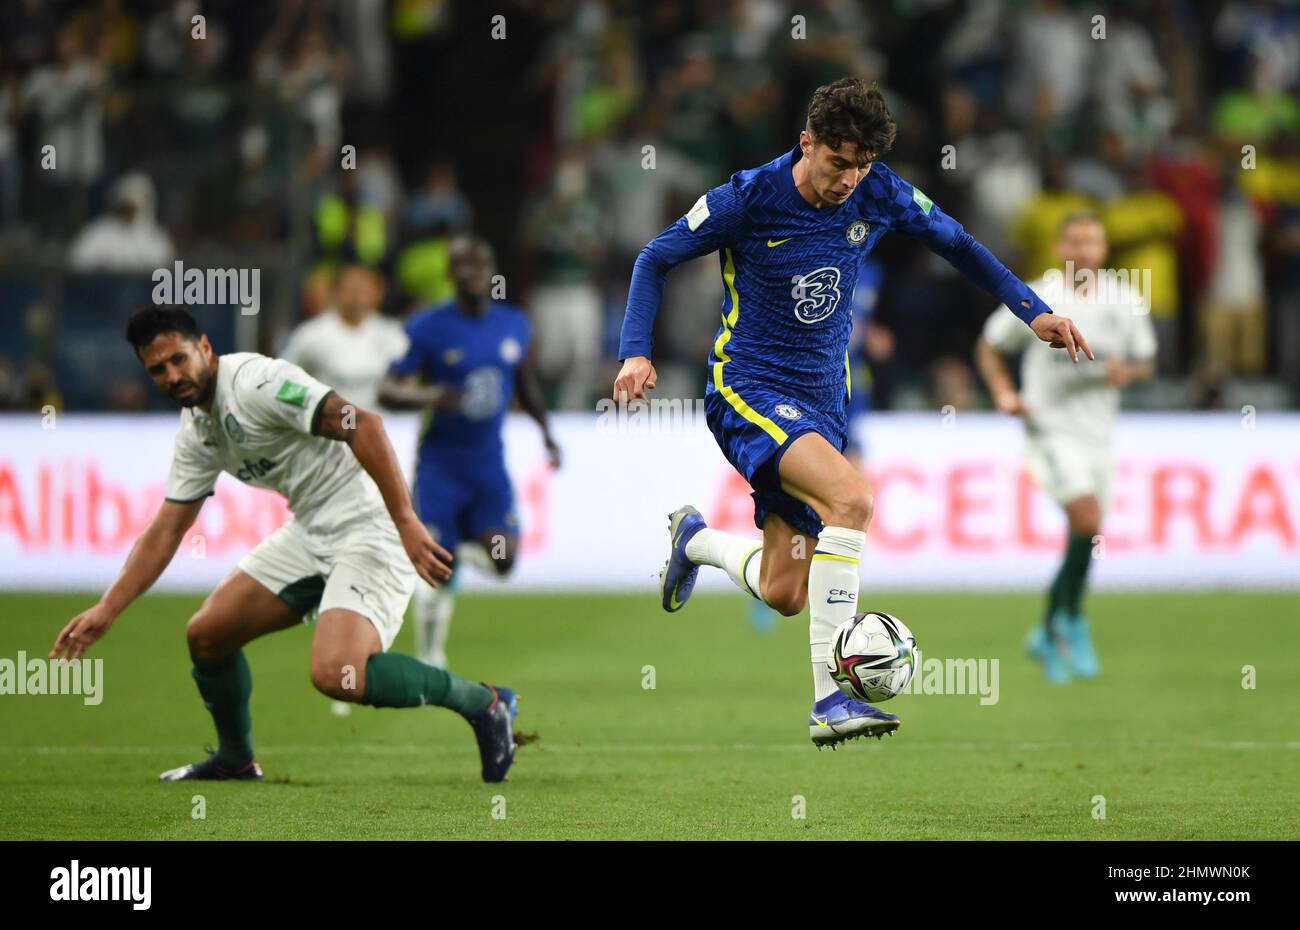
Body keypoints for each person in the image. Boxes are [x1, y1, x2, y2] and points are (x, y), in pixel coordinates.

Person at [613, 77, 1092, 748]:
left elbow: (957, 244)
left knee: (785, 591)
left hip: (822, 402)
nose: (849, 180)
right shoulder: (749, 197)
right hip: (747, 388)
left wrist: (1032, 309)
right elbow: (655, 255)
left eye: (861, 165)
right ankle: (829, 700)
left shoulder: (880, 191)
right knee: (854, 502)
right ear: (807, 143)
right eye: (838, 163)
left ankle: (694, 540)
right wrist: (635, 352)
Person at [50, 307, 519, 783]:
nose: (173, 375)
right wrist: (107, 609)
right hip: (311, 530)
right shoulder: (197, 430)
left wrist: (405, 522)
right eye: (158, 369)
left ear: (205, 348)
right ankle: (236, 760)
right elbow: (167, 529)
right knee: (207, 635)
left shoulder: (256, 384)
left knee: (338, 675)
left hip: (371, 527)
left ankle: (486, 703)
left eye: (179, 359)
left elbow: (365, 423)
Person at [975, 212, 1155, 683]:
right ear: (1060, 248)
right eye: (1074, 241)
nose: (1084, 250)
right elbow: (989, 346)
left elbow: (1145, 361)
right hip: (1048, 425)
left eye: (1092, 241)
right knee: (1087, 520)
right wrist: (1003, 393)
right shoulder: (1038, 295)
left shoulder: (1124, 297)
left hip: (1099, 432)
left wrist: (1127, 373)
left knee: (1088, 536)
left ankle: (1050, 626)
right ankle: (1070, 622)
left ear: (1103, 249)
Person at [381, 233, 560, 669]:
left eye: (480, 265)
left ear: (491, 271)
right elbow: (386, 389)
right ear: (449, 274)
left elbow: (524, 383)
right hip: (441, 466)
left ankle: (459, 550)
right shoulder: (427, 327)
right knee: (437, 567)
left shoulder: (514, 323)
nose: (473, 273)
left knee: (504, 560)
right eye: (463, 265)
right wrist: (428, 396)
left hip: (487, 468)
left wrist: (545, 431)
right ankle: (430, 656)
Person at [281, 264, 409, 411]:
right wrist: (308, 412)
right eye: (351, 289)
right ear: (335, 292)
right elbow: (283, 383)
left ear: (378, 293)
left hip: (382, 425)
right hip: (328, 428)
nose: (357, 296)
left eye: (364, 290)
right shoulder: (311, 334)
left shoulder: (392, 333)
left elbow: (407, 381)